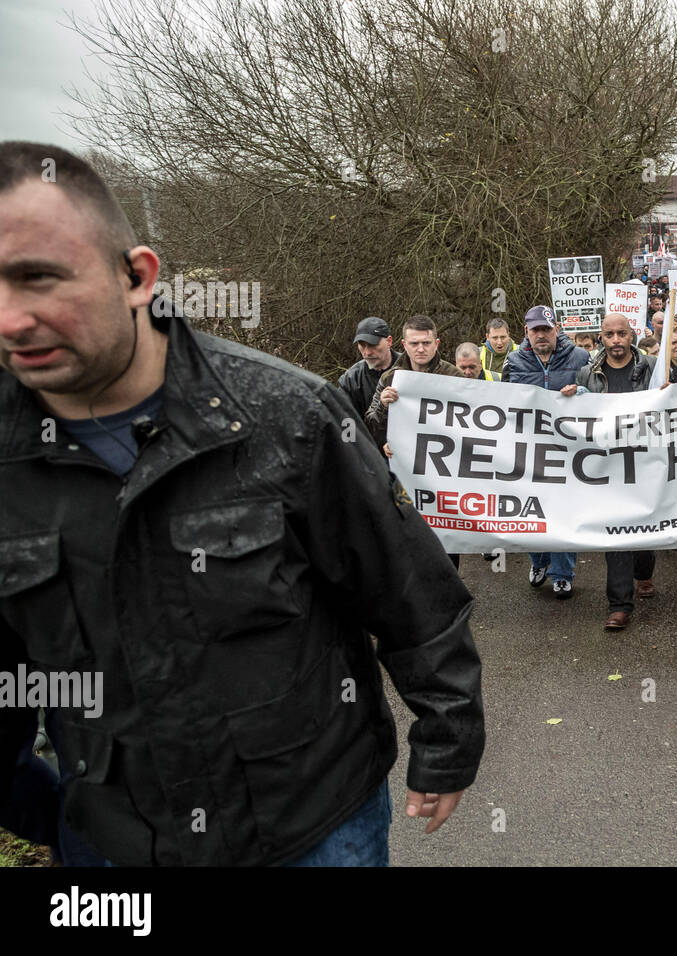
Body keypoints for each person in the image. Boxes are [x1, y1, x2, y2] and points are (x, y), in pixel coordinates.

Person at [0, 141, 484, 866]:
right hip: (113, 839)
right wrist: (47, 810)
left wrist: (447, 740)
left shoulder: (290, 416)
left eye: (39, 280)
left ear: (137, 276)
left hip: (315, 828)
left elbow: (406, 589)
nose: (11, 320)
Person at [573, 314, 657, 629]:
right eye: (610, 334)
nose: (616, 340)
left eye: (622, 333)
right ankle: (619, 605)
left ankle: (645, 570)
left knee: (645, 531)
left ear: (631, 334)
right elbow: (576, 416)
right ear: (601, 338)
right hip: (606, 465)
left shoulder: (651, 366)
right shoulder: (587, 374)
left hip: (646, 461)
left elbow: (672, 398)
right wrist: (571, 398)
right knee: (617, 533)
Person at [504, 305, 591, 599]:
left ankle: (563, 574)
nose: (541, 335)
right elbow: (501, 401)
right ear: (526, 332)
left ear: (557, 330)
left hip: (567, 450)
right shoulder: (514, 360)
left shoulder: (580, 357)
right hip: (528, 449)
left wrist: (582, 394)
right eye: (535, 330)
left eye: (546, 329)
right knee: (530, 509)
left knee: (563, 511)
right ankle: (539, 560)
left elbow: (597, 396)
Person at [366, 313, 460, 452]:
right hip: (403, 457)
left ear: (436, 344)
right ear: (404, 344)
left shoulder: (454, 376)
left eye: (426, 343)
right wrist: (382, 406)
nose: (421, 349)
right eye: (414, 343)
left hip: (445, 454)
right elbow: (369, 425)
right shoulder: (390, 378)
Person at [337, 316, 400, 421]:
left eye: (373, 345)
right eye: (362, 345)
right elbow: (343, 420)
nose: (367, 352)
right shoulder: (351, 379)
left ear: (389, 341)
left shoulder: (411, 369)